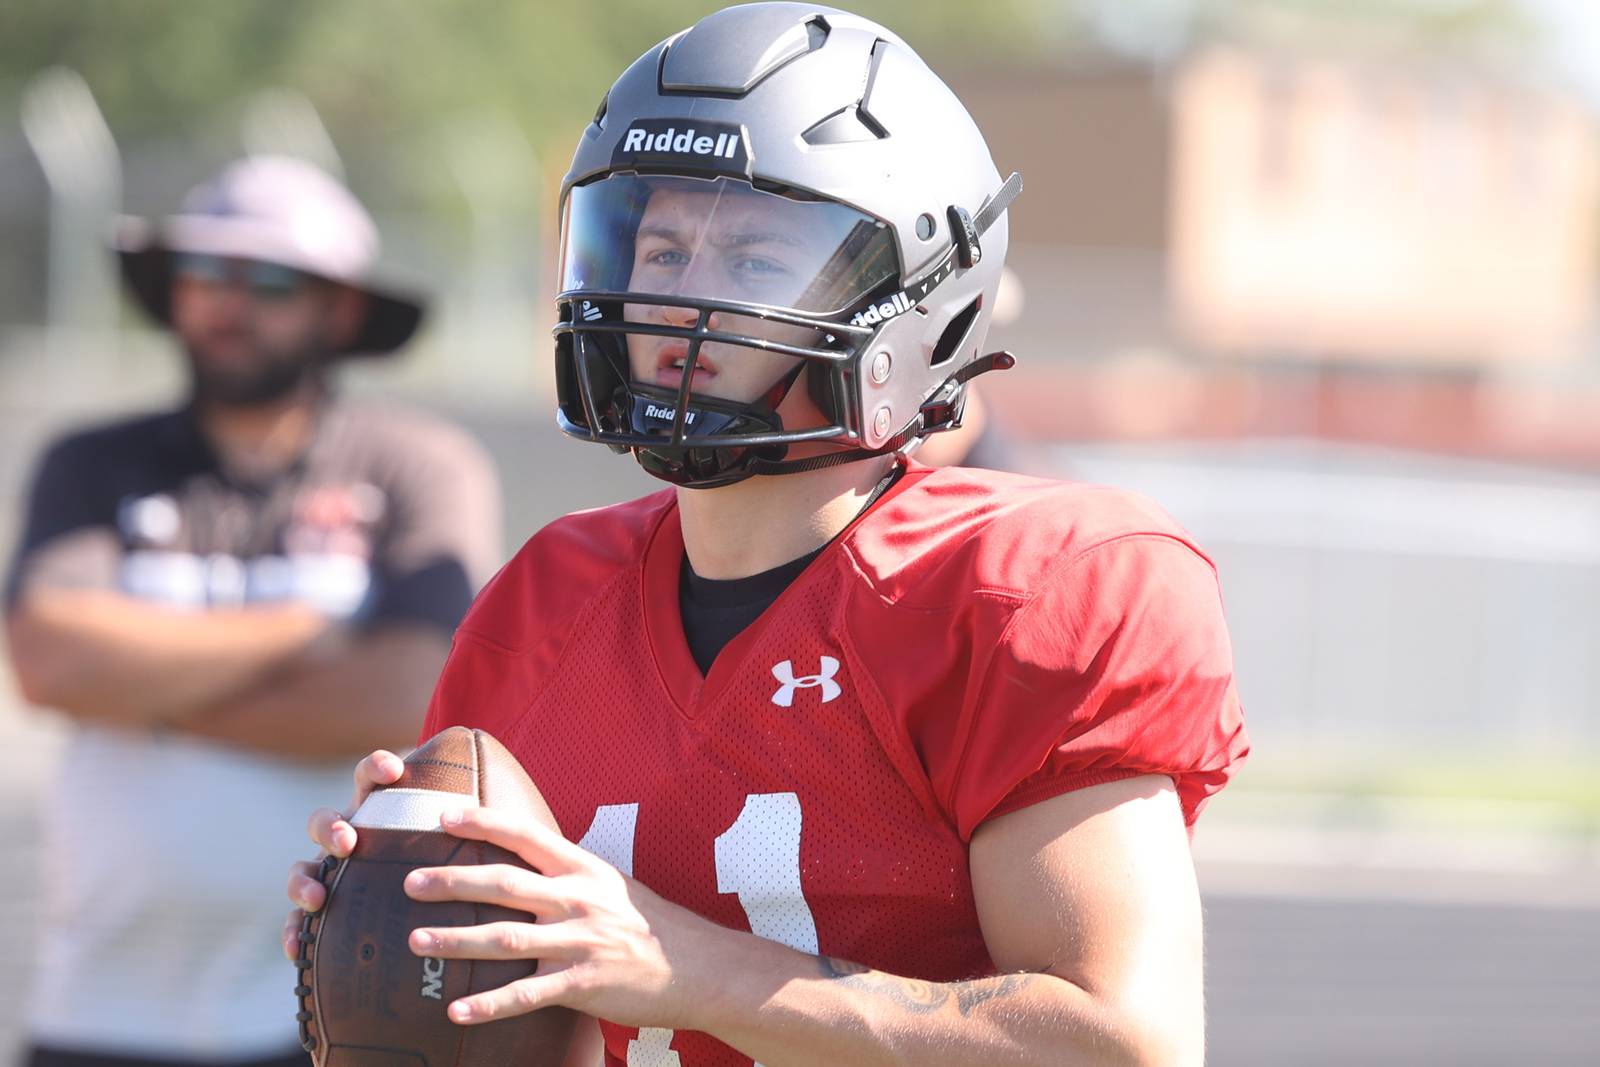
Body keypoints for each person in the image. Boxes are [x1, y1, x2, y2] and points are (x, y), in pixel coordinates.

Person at [288, 5, 1248, 1065]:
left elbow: (1121, 1042)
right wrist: (416, 946)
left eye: (750, 262)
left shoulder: (1028, 592)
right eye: (659, 246)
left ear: (908, 303)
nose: (675, 301)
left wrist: (689, 967)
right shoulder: (547, 598)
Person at [7, 155, 501, 1067]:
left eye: (270, 279)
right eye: (204, 274)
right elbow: (50, 662)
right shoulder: (90, 463)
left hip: (336, 1005)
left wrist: (137, 690)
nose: (227, 303)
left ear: (341, 308)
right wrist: (312, 629)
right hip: (98, 1005)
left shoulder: (419, 466)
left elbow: (405, 696)